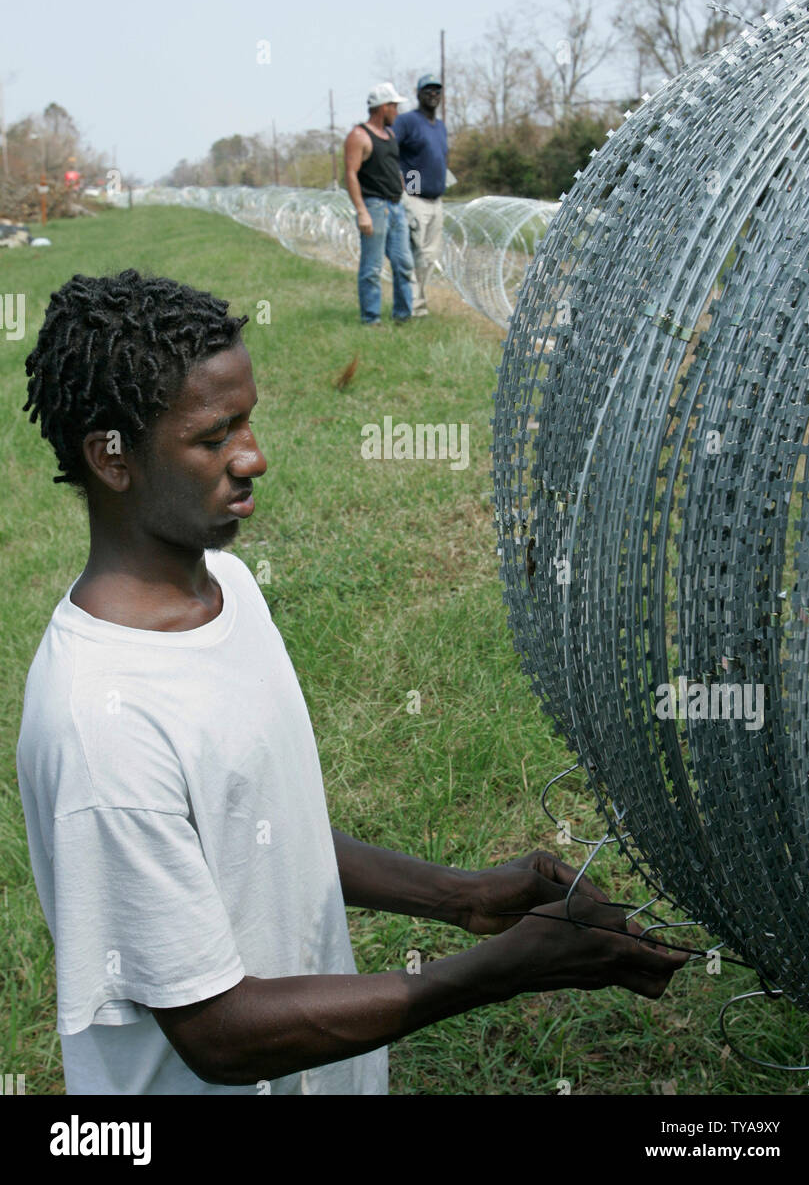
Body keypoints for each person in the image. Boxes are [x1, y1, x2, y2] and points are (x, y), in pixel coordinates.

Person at [17, 269, 686, 1096]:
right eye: (213, 436)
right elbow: (218, 1036)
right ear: (110, 459)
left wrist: (460, 896)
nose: (253, 456)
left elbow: (261, 837)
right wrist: (502, 968)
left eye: (249, 421)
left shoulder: (230, 592)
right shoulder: (103, 727)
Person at [344, 82, 413, 326]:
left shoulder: (391, 135)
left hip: (396, 207)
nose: (397, 111)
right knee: (372, 268)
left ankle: (404, 316)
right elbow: (351, 174)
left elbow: (393, 168)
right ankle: (371, 319)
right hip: (375, 207)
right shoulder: (359, 136)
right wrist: (362, 212)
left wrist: (404, 191)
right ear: (383, 107)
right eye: (394, 106)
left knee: (404, 263)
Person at [393, 74, 449, 317]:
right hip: (415, 197)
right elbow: (388, 149)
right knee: (415, 253)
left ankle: (417, 302)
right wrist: (400, 183)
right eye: (428, 90)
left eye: (437, 90)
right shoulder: (407, 121)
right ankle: (413, 307)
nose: (433, 94)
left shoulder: (440, 126)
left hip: (436, 199)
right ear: (418, 94)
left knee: (429, 256)